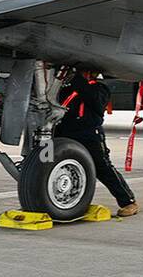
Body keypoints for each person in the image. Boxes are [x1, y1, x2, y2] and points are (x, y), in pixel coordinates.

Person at [55, 69, 138, 217]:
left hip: (89, 133)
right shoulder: (67, 89)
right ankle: (69, 201)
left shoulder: (99, 89)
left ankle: (128, 201)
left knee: (103, 168)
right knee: (65, 167)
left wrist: (76, 80)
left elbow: (94, 101)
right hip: (65, 132)